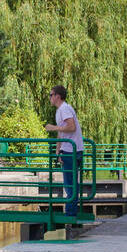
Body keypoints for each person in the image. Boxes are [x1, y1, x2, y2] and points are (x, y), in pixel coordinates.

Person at [44, 85, 84, 218]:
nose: (50, 98)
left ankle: (70, 214)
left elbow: (71, 127)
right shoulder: (61, 110)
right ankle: (71, 212)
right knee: (70, 183)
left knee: (70, 185)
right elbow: (62, 132)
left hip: (71, 151)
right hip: (68, 150)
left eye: (51, 95)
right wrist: (58, 151)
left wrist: (53, 128)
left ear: (57, 96)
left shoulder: (64, 109)